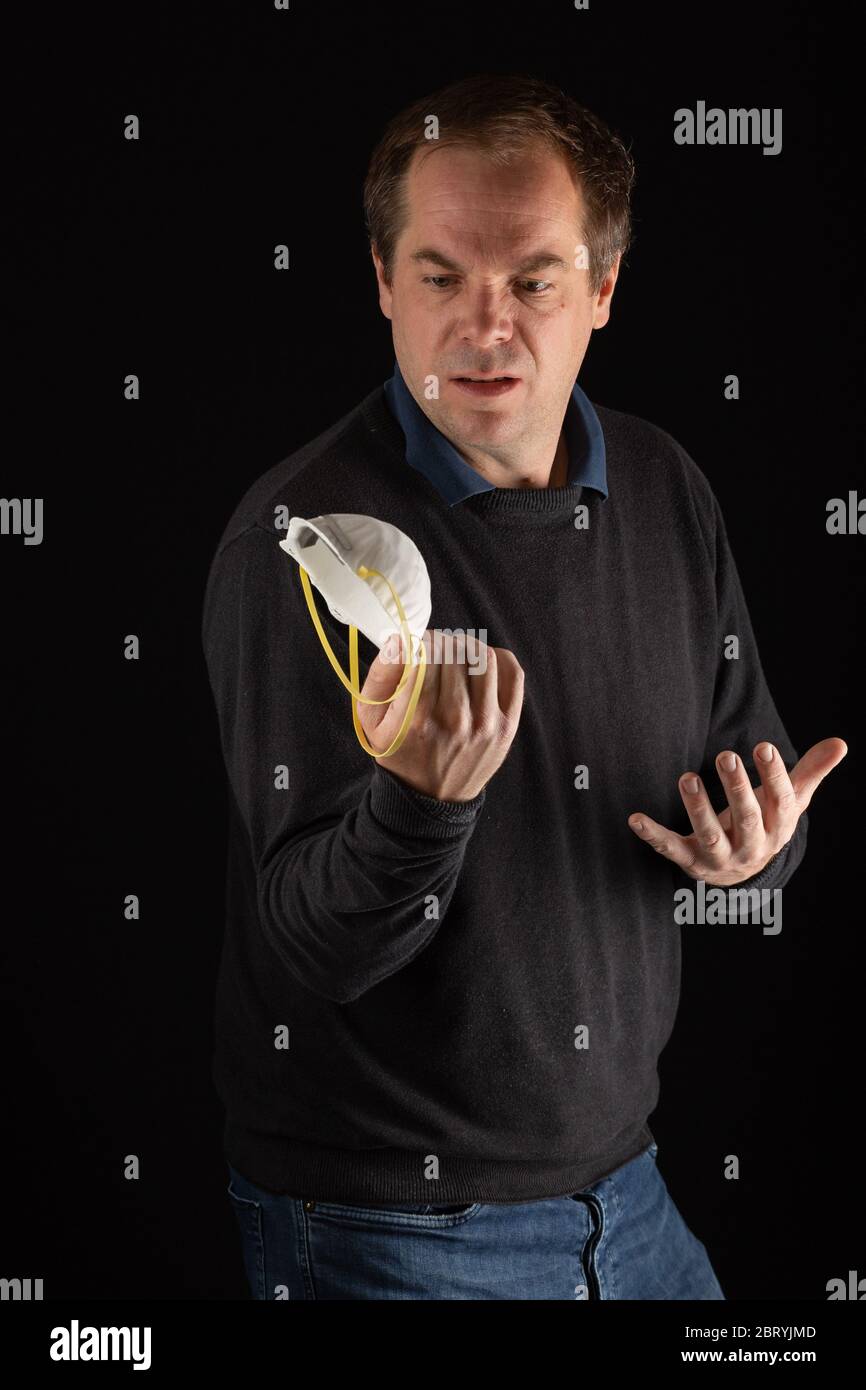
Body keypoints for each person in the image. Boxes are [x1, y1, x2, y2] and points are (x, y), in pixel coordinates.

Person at [201, 73, 846, 1300]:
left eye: (532, 281)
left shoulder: (664, 488)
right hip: (391, 1229)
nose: (481, 326)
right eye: (438, 275)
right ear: (383, 282)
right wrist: (422, 804)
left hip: (626, 1191)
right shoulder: (302, 545)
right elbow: (307, 954)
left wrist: (752, 851)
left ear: (600, 291)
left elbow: (748, 789)